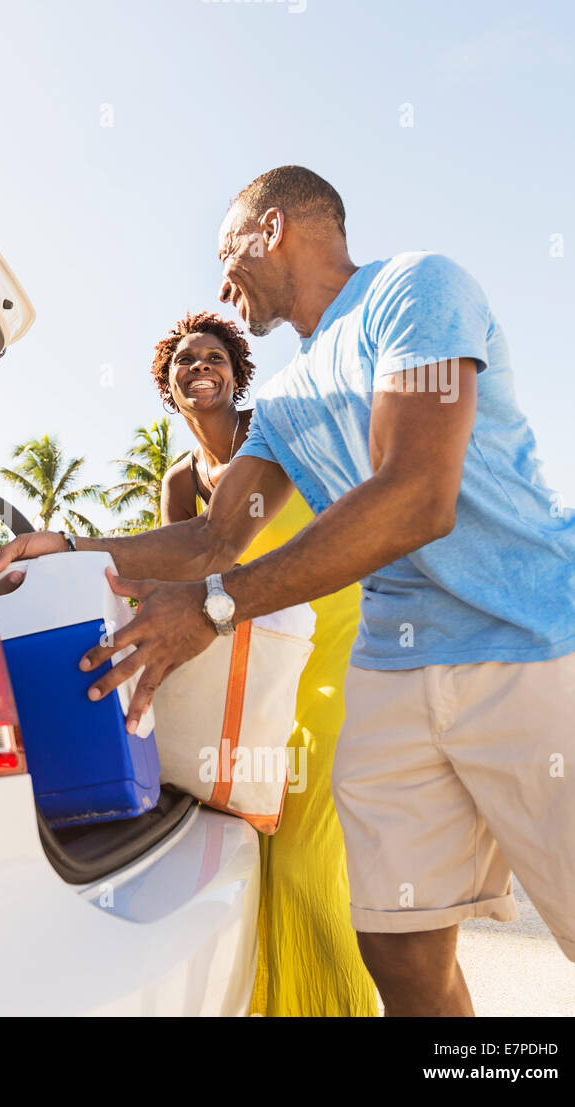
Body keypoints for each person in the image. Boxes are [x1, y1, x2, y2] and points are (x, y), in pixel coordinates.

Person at [0, 166, 575, 1016]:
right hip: (394, 675)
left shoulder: (415, 290)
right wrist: (73, 544)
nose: (220, 282)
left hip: (533, 642)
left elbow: (417, 495)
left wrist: (212, 608)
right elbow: (213, 535)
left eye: (225, 254)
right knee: (398, 948)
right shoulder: (282, 403)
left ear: (270, 227)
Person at [154, 309, 377, 1017]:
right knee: (264, 851)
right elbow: (180, 570)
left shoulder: (273, 430)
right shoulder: (179, 479)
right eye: (184, 361)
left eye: (213, 355)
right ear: (168, 387)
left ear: (235, 371)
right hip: (262, 663)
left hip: (337, 636)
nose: (200, 366)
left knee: (311, 856)